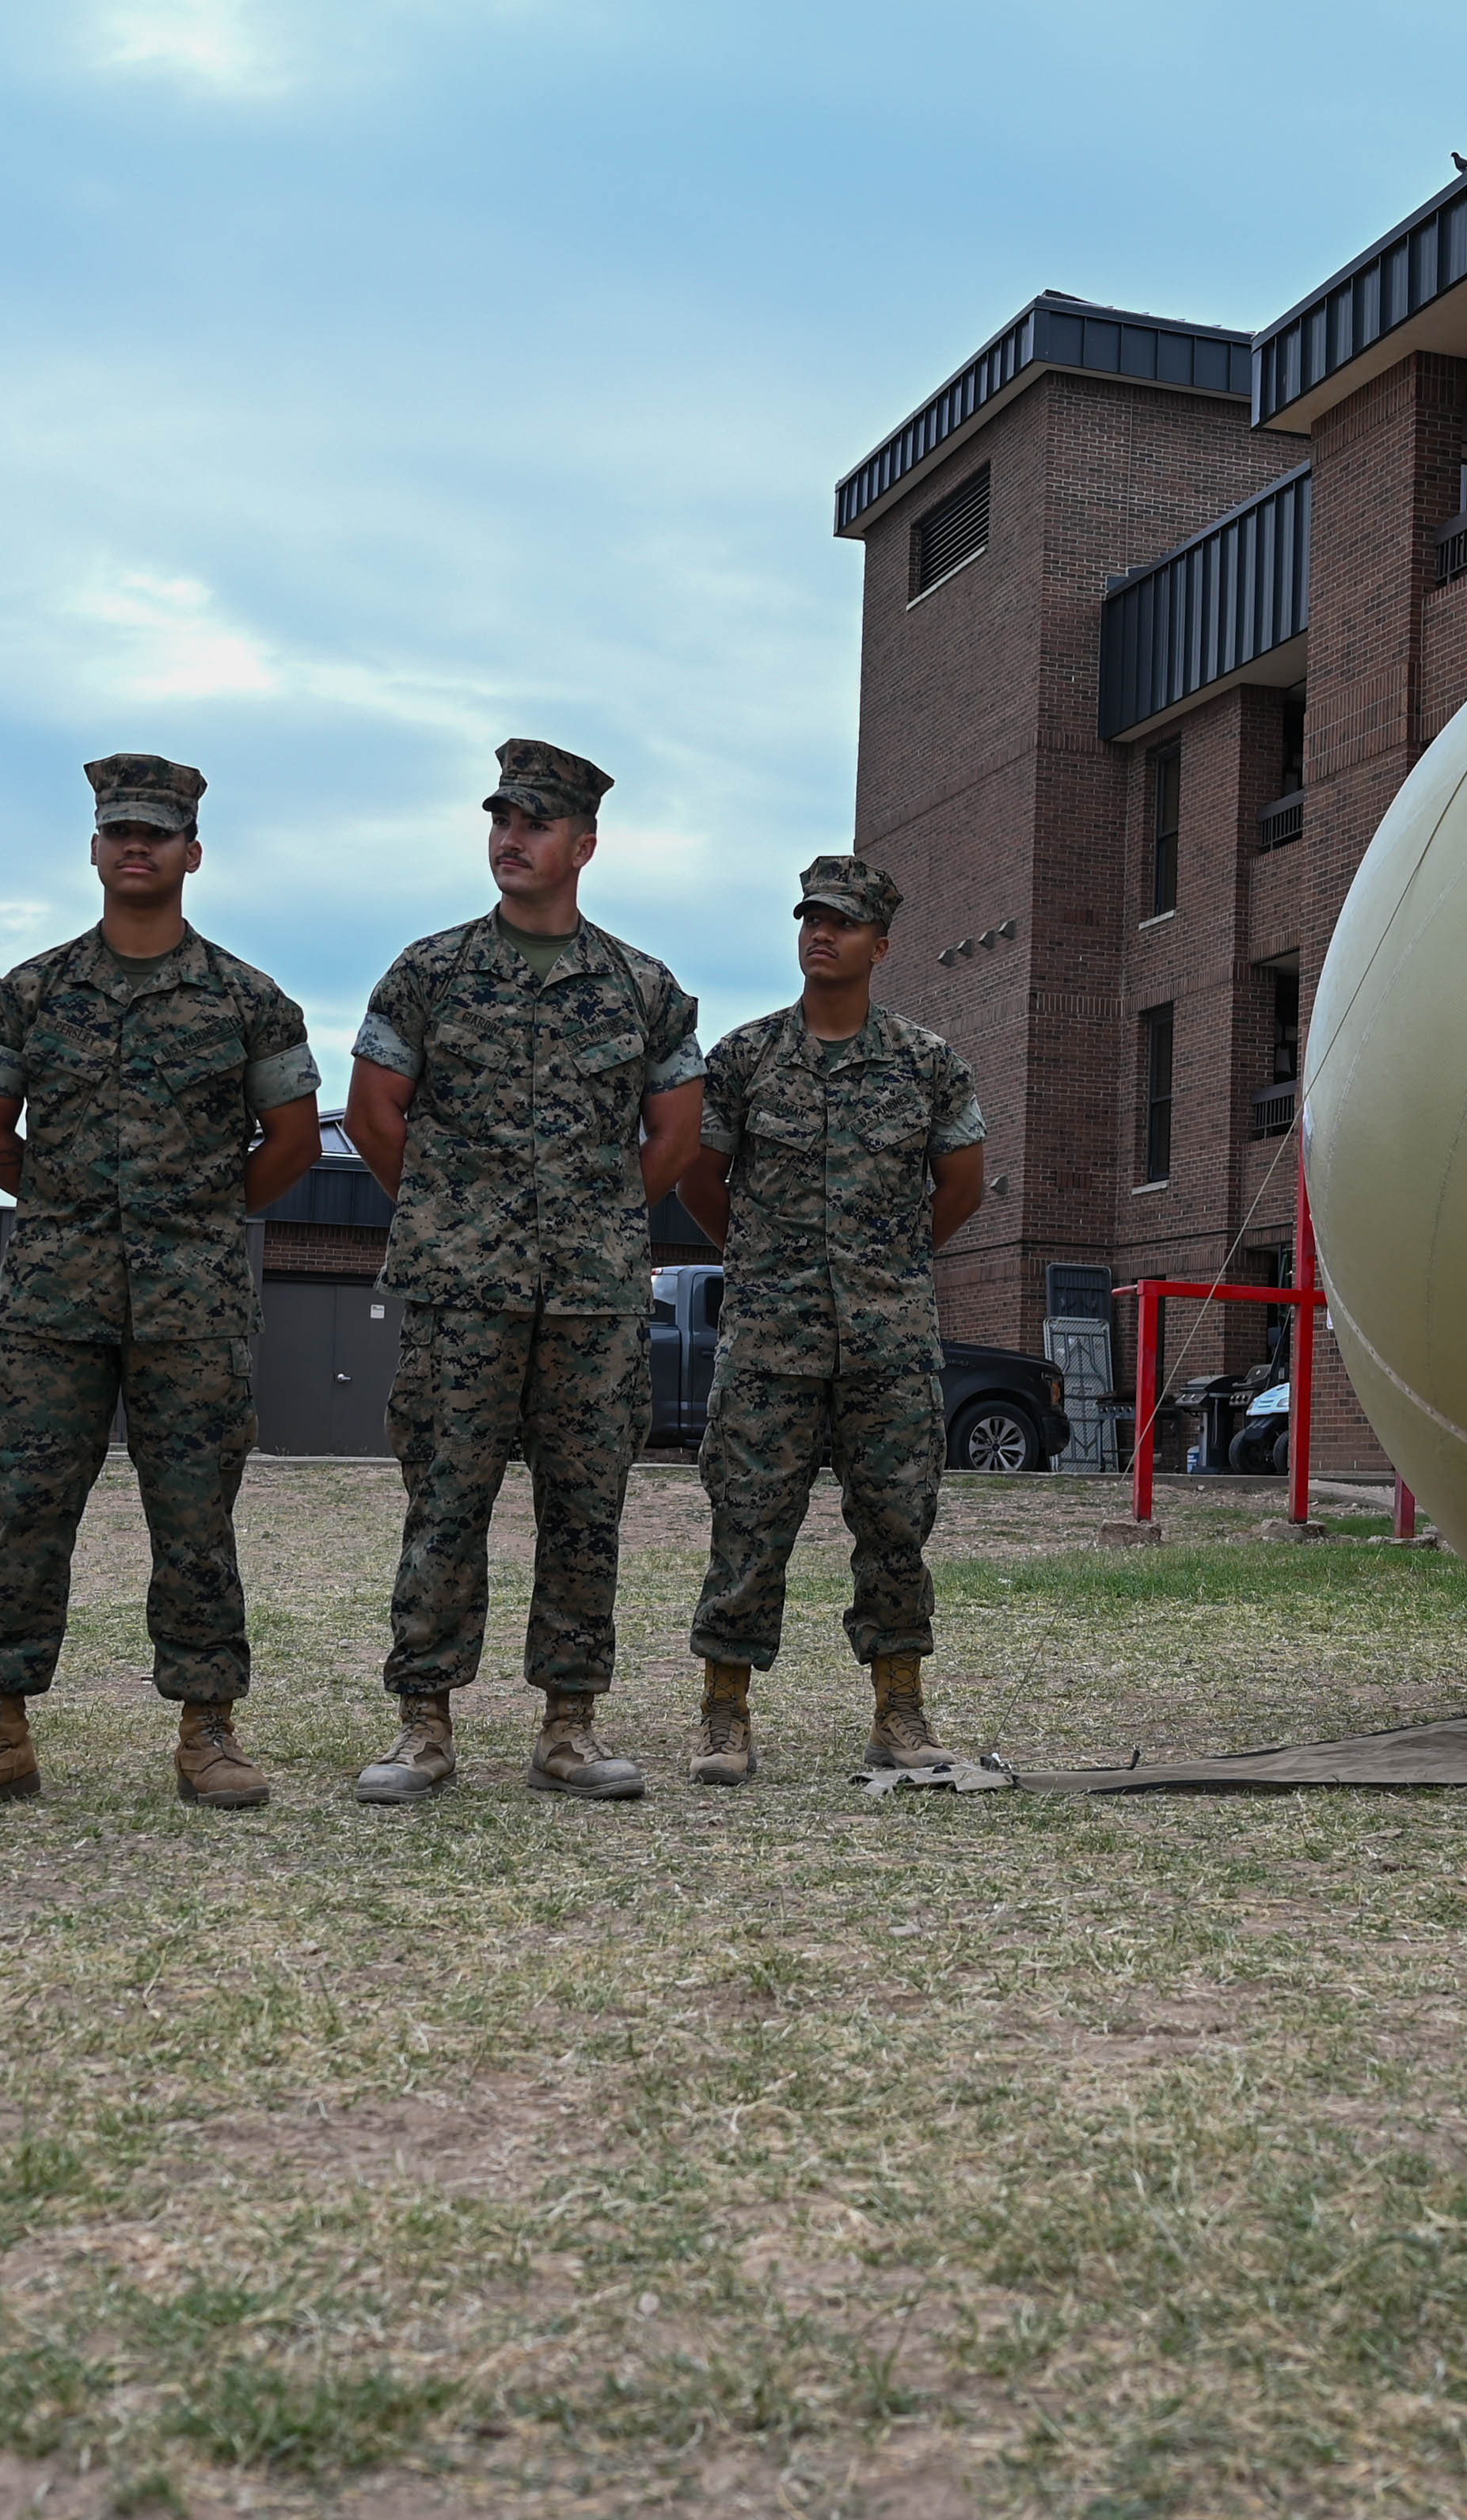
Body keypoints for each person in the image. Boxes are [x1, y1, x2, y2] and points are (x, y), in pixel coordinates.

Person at [0, 753, 321, 1815]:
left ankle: (208, 1730)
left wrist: (200, 1220)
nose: (138, 846)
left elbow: (292, 1143)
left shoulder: (250, 1002)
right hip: (52, 1305)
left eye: (158, 832)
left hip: (194, 1308)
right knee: (26, 1515)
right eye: (120, 831)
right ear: (94, 849)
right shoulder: (25, 995)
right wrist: (71, 1214)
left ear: (192, 853)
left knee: (195, 1521)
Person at [340, 737, 703, 1803]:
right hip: (461, 1295)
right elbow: (372, 1113)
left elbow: (676, 1133)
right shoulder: (430, 971)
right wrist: (458, 1215)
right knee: (445, 1501)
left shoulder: (641, 987)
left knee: (586, 1507)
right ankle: (424, 1724)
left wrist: (597, 1215)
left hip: (591, 1297)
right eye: (502, 818)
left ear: (583, 845)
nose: (512, 837)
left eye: (535, 823)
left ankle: (570, 1727)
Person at [678, 856, 989, 1781]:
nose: (822, 932)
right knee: (747, 1522)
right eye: (811, 918)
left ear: (880, 945)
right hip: (771, 1339)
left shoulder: (927, 1064)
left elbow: (961, 1188)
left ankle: (900, 1713)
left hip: (888, 1342)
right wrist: (762, 1258)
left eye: (843, 922)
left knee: (896, 1527)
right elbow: (702, 1176)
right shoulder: (744, 1057)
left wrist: (887, 1266)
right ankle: (724, 1715)